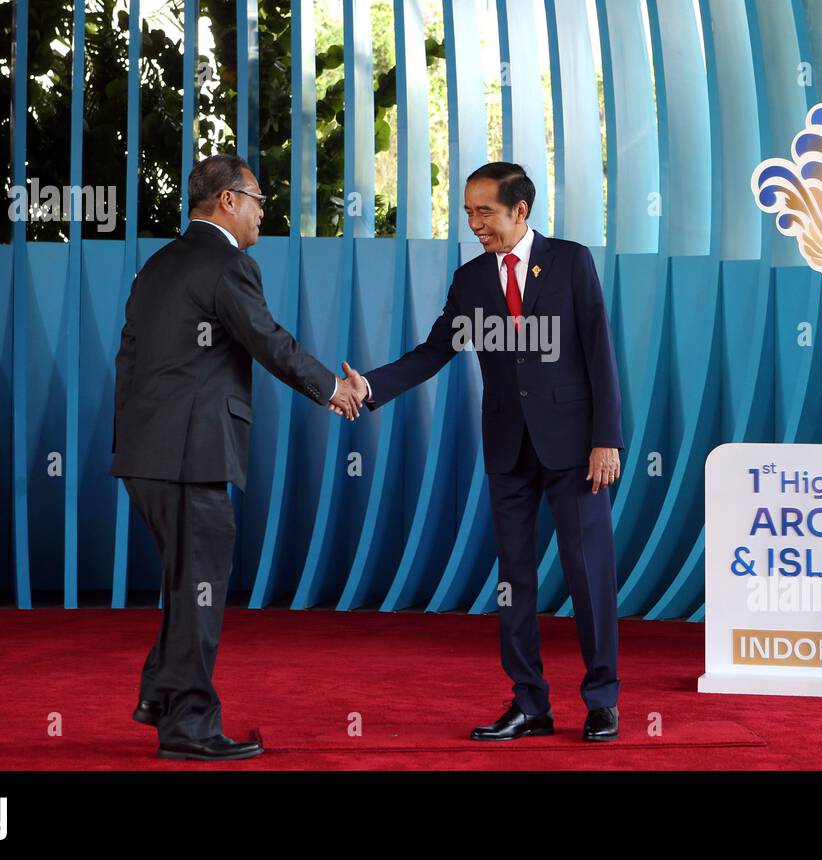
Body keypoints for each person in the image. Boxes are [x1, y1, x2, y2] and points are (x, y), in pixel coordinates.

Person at [338, 162, 624, 741]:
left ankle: (602, 700)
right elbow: (433, 352)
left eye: (484, 212)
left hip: (576, 447)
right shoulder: (470, 281)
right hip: (508, 448)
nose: (474, 223)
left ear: (520, 210)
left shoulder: (571, 262)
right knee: (514, 579)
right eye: (468, 212)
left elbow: (599, 353)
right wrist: (370, 387)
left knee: (588, 575)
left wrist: (606, 440)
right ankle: (529, 703)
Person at [110, 153, 361, 761]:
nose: (260, 214)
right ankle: (190, 728)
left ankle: (159, 695)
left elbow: (128, 359)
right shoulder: (229, 264)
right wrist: (333, 388)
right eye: (257, 201)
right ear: (228, 200)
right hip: (192, 457)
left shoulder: (159, 264)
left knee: (183, 583)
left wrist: (132, 443)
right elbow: (268, 340)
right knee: (200, 587)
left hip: (145, 457)